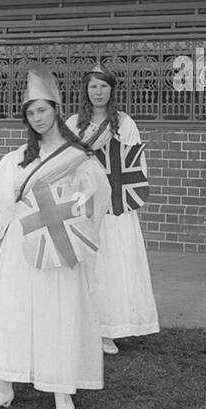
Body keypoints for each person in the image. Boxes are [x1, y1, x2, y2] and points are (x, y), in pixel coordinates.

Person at [0, 67, 111, 409]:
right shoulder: (18, 158)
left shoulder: (77, 156)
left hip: (59, 243)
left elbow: (95, 197)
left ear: (56, 110)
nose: (37, 118)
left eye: (42, 111)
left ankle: (61, 387)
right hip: (22, 244)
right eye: (31, 113)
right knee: (15, 312)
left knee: (58, 310)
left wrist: (75, 208)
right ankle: (4, 386)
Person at [65, 65, 160, 352]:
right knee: (88, 264)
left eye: (104, 86)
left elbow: (133, 163)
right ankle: (84, 325)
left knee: (114, 263)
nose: (98, 92)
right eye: (93, 86)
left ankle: (110, 327)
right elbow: (63, 162)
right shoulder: (73, 124)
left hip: (115, 205)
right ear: (86, 90)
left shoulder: (124, 122)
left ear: (111, 90)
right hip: (85, 202)